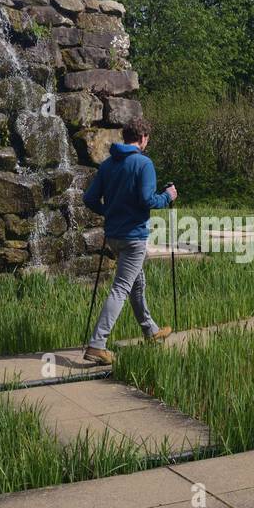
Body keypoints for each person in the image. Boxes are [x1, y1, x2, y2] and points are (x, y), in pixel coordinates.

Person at [81, 118, 177, 364]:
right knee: (121, 288)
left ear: (126, 137)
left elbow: (90, 198)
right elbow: (147, 200)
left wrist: (109, 212)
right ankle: (97, 344)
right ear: (143, 137)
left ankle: (151, 331)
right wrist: (167, 196)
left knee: (136, 283)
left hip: (113, 236)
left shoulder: (108, 165)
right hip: (134, 237)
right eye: (147, 139)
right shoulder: (144, 164)